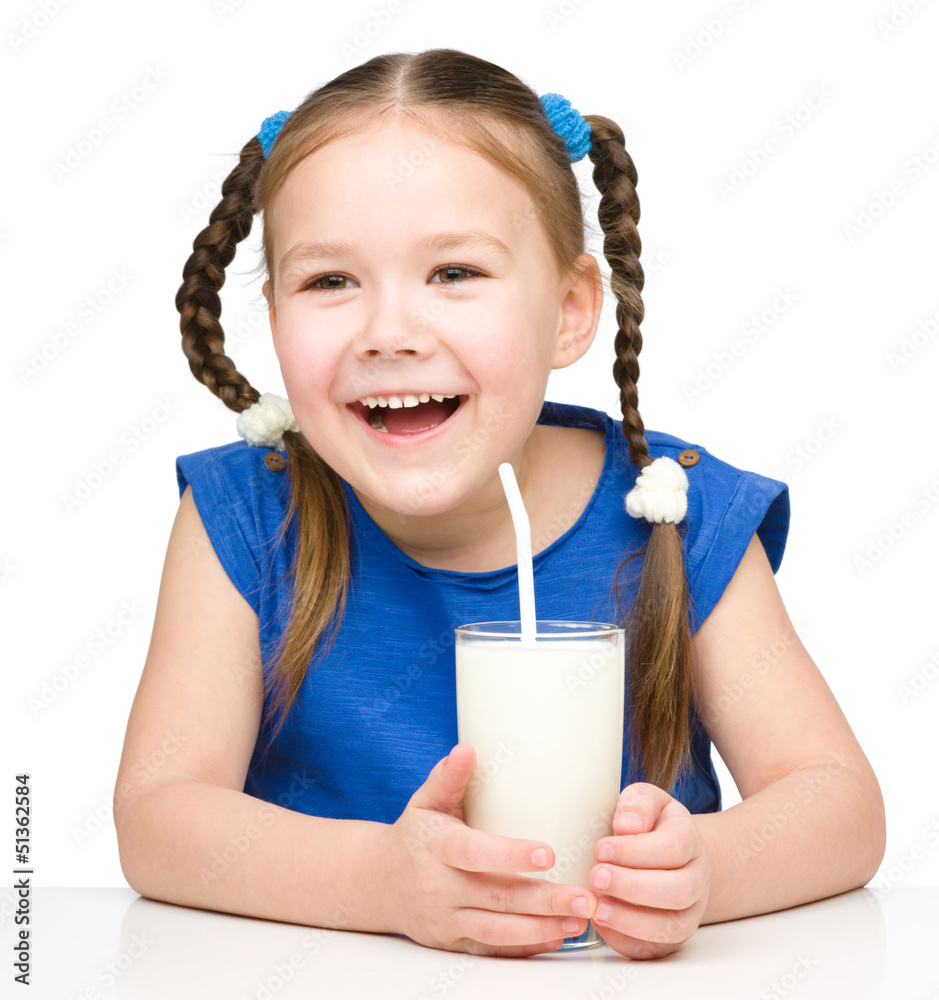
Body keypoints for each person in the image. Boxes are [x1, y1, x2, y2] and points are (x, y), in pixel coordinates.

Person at [113, 48, 885, 960]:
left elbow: (839, 802)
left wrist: (705, 872)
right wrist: (379, 883)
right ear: (272, 310)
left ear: (567, 309)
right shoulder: (247, 512)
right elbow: (158, 818)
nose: (389, 332)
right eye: (329, 281)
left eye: (454, 273)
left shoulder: (675, 514)